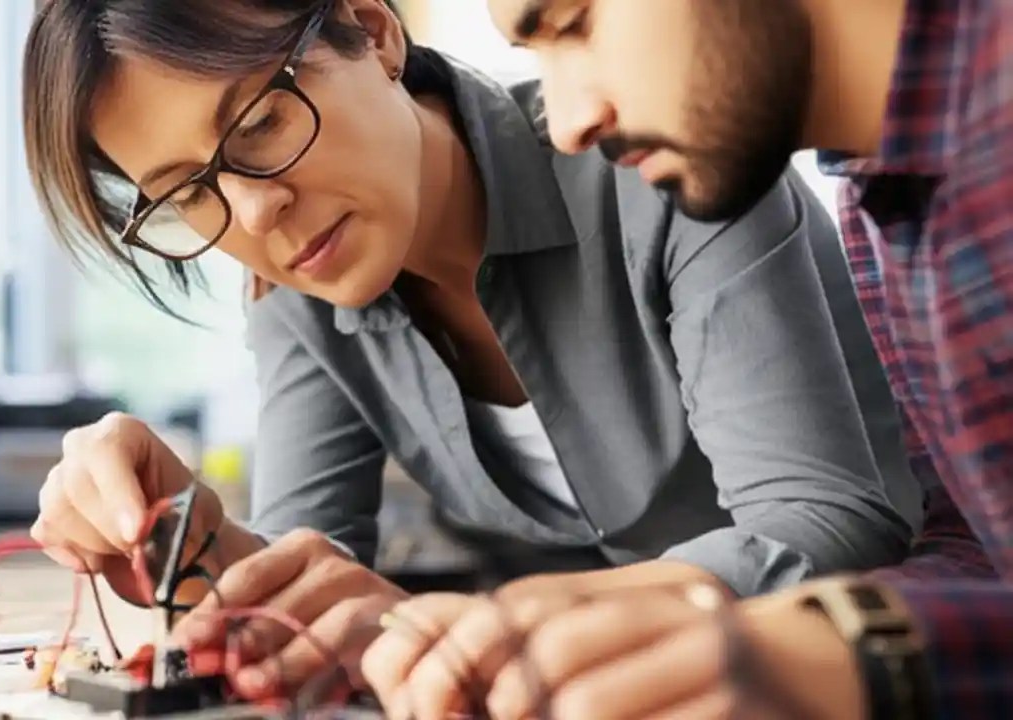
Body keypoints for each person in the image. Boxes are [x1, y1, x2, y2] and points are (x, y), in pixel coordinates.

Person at [20, 0, 919, 702]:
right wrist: (193, 535)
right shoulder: (297, 295)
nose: (255, 214)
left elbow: (826, 522)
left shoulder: (651, 150)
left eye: (257, 124)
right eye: (187, 194)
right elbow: (316, 573)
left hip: (897, 658)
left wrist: (488, 627)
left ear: (373, 35)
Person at [362, 0, 1013, 718]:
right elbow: (982, 551)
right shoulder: (884, 195)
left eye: (576, 22)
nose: (572, 122)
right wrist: (805, 638)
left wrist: (857, 659)